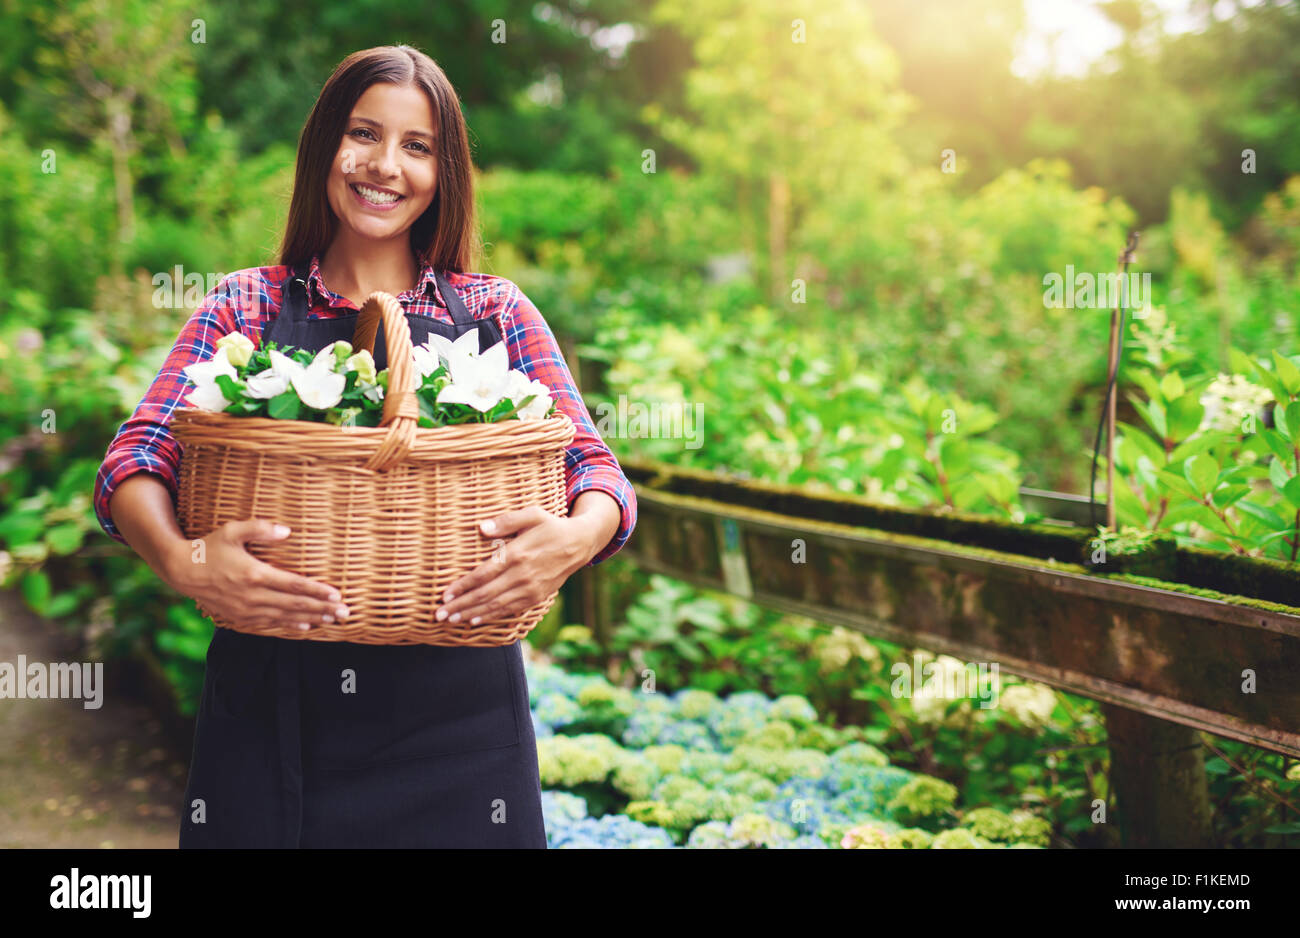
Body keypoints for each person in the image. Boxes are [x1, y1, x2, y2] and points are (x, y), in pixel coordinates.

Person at [92, 44, 637, 848]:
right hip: (270, 717)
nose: (385, 166)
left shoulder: (496, 313)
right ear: (325, 147)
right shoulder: (246, 304)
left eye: (417, 147)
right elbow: (134, 461)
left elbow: (596, 472)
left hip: (461, 732)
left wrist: (572, 539)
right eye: (363, 135)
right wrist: (185, 561)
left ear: (444, 171)